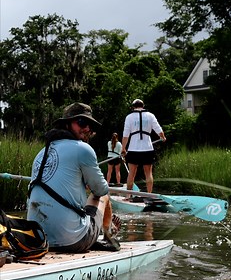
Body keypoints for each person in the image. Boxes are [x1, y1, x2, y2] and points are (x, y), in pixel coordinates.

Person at [27, 102, 121, 252]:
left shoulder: (41, 153)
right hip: (71, 241)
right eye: (82, 122)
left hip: (37, 240)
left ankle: (95, 233)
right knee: (104, 197)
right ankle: (110, 237)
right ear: (66, 125)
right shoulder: (83, 149)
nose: (87, 129)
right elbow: (101, 189)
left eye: (90, 125)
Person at [121, 99, 166, 193]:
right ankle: (149, 194)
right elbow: (159, 129)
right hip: (148, 148)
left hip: (133, 148)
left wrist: (123, 148)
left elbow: (125, 135)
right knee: (148, 173)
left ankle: (129, 195)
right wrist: (162, 137)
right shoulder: (150, 115)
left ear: (133, 107)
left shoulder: (129, 117)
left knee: (131, 173)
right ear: (143, 106)